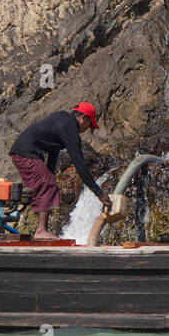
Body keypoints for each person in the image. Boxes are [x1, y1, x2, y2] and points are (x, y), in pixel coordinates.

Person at [9, 102, 108, 239]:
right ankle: (41, 231)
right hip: (26, 154)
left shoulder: (62, 118)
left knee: (47, 183)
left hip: (23, 152)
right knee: (48, 184)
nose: (87, 129)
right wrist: (99, 193)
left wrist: (49, 173)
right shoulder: (70, 129)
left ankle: (43, 229)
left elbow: (53, 150)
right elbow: (80, 165)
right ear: (83, 118)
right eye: (89, 125)